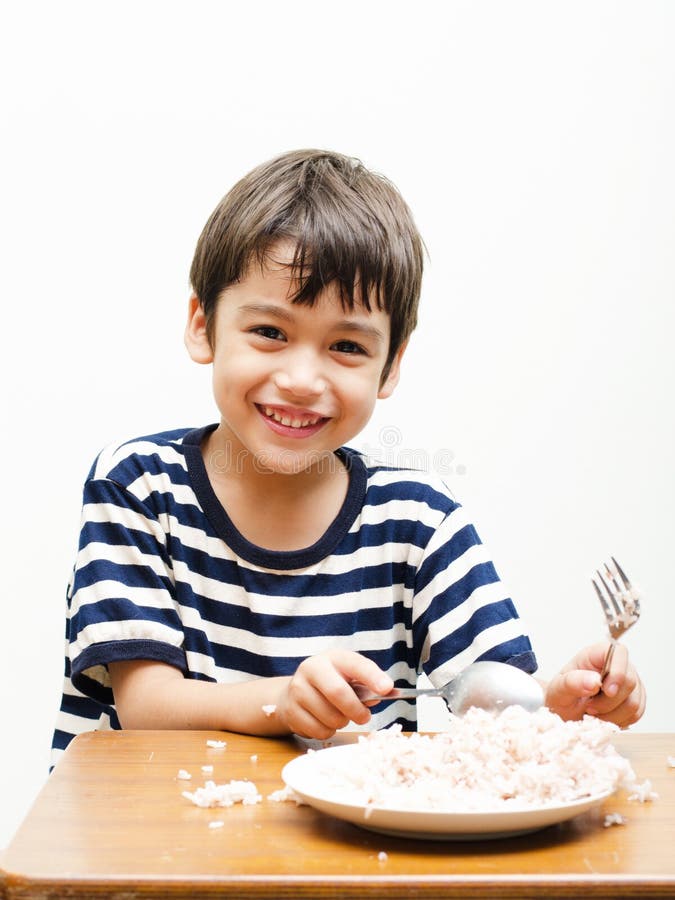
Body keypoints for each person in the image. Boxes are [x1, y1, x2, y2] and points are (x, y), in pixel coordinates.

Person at [51, 149, 645, 767]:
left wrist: (556, 702)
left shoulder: (419, 520)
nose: (303, 379)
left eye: (345, 346)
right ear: (203, 323)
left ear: (390, 366)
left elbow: (487, 695)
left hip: (348, 853)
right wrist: (282, 702)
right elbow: (146, 705)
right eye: (270, 333)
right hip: (153, 845)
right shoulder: (139, 485)